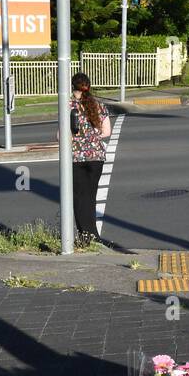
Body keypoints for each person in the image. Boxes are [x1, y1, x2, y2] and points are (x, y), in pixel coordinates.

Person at [69, 71, 111, 247]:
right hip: (96, 157)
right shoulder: (98, 105)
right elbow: (107, 132)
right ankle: (93, 235)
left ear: (72, 87)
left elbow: (61, 135)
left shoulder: (67, 106)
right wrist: (93, 137)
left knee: (78, 198)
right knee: (90, 196)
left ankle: (86, 237)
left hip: (77, 157)